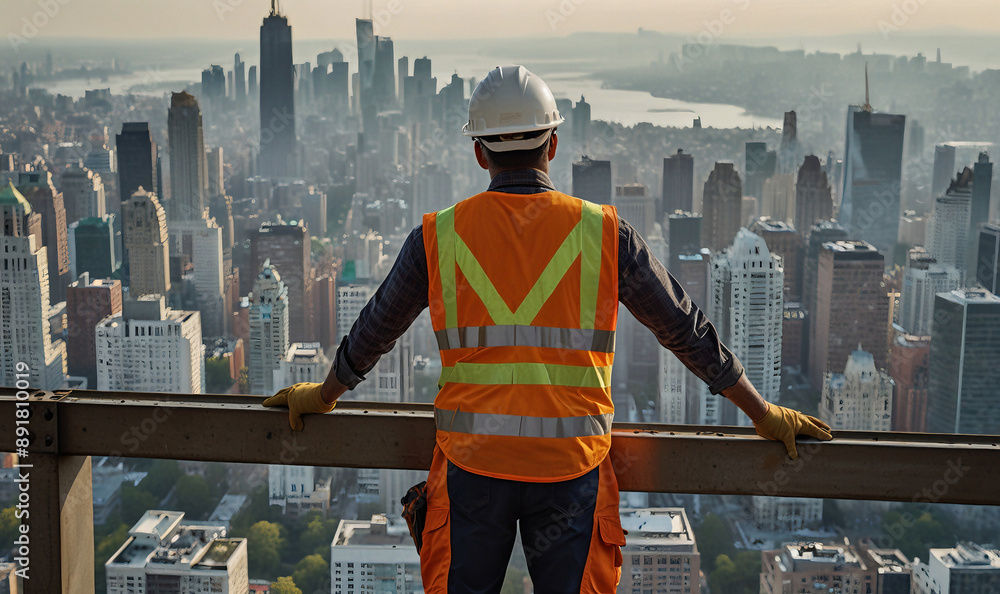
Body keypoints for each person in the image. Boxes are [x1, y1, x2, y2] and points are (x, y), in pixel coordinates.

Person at [264, 64, 832, 593]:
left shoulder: (439, 238)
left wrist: (322, 393)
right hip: (570, 471)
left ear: (479, 153)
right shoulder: (605, 234)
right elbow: (684, 330)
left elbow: (374, 331)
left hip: (473, 469)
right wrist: (763, 413)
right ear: (553, 145)